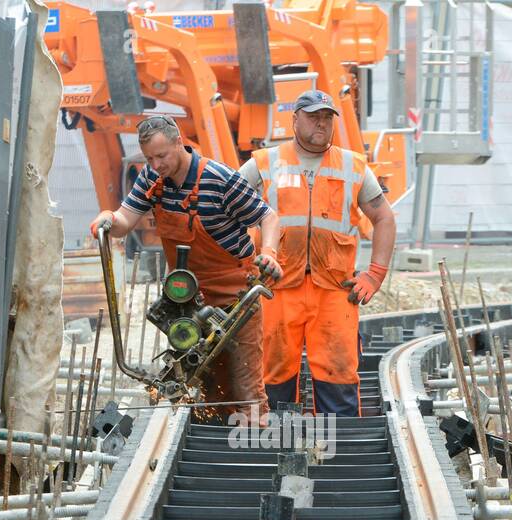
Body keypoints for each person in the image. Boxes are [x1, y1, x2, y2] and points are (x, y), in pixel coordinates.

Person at [89, 115, 282, 420]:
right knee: (203, 384)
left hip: (236, 297)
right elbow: (125, 220)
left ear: (179, 143)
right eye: (149, 158)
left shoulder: (220, 179)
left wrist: (269, 253)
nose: (156, 165)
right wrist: (109, 219)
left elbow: (268, 217)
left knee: (245, 388)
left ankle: (251, 454)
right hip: (188, 299)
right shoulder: (152, 179)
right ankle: (216, 447)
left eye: (161, 156)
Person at [238, 89, 396, 416]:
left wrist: (375, 273)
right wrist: (239, 267)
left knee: (338, 371)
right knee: (272, 371)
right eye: (313, 117)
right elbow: (227, 207)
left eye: (326, 117)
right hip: (276, 289)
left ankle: (338, 453)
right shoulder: (265, 162)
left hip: (336, 291)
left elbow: (384, 217)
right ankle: (275, 445)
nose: (320, 123)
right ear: (295, 119)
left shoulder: (353, 166)